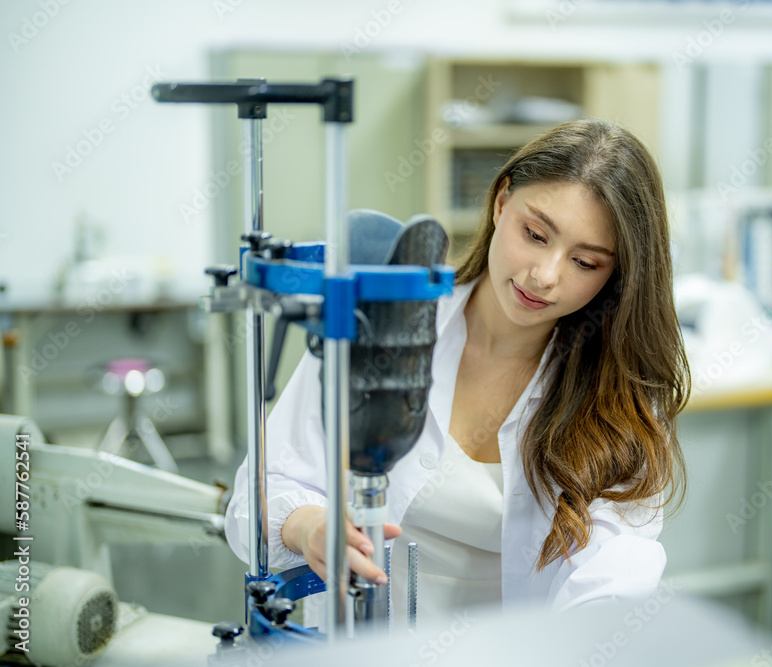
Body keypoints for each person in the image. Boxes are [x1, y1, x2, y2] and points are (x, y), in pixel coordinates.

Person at [225, 118, 690, 627]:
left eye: (585, 262)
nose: (545, 275)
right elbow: (259, 492)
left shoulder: (620, 395)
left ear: (617, 274)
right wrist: (308, 525)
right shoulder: (378, 322)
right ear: (501, 201)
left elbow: (615, 562)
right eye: (535, 234)